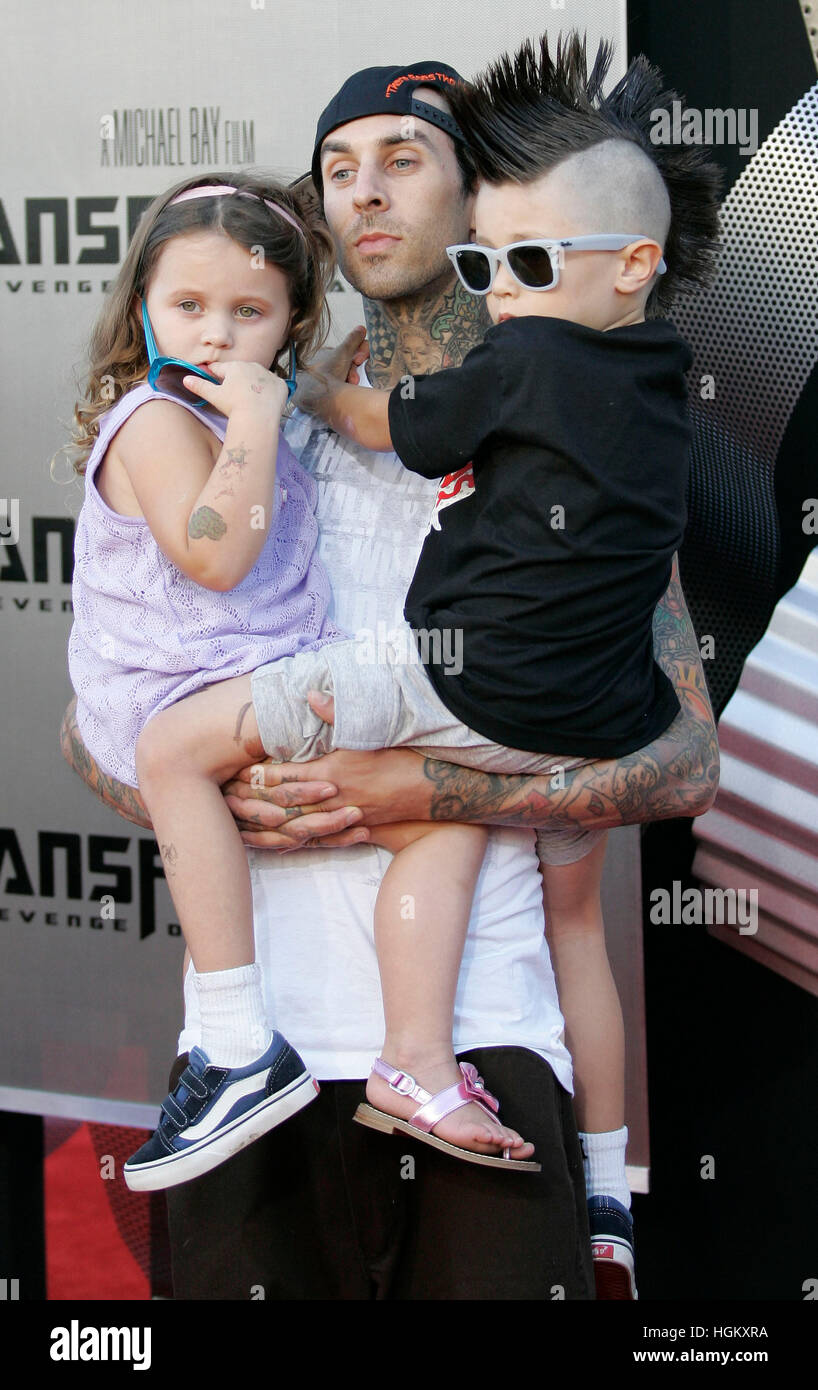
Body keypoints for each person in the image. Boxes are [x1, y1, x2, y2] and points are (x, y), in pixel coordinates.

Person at [60, 45, 719, 1300]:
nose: (363, 193)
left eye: (402, 161)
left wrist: (420, 788)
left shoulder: (567, 419)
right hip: (258, 1056)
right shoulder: (234, 420)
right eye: (337, 169)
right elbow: (96, 726)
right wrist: (192, 789)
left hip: (478, 1045)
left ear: (478, 196)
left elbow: (682, 760)